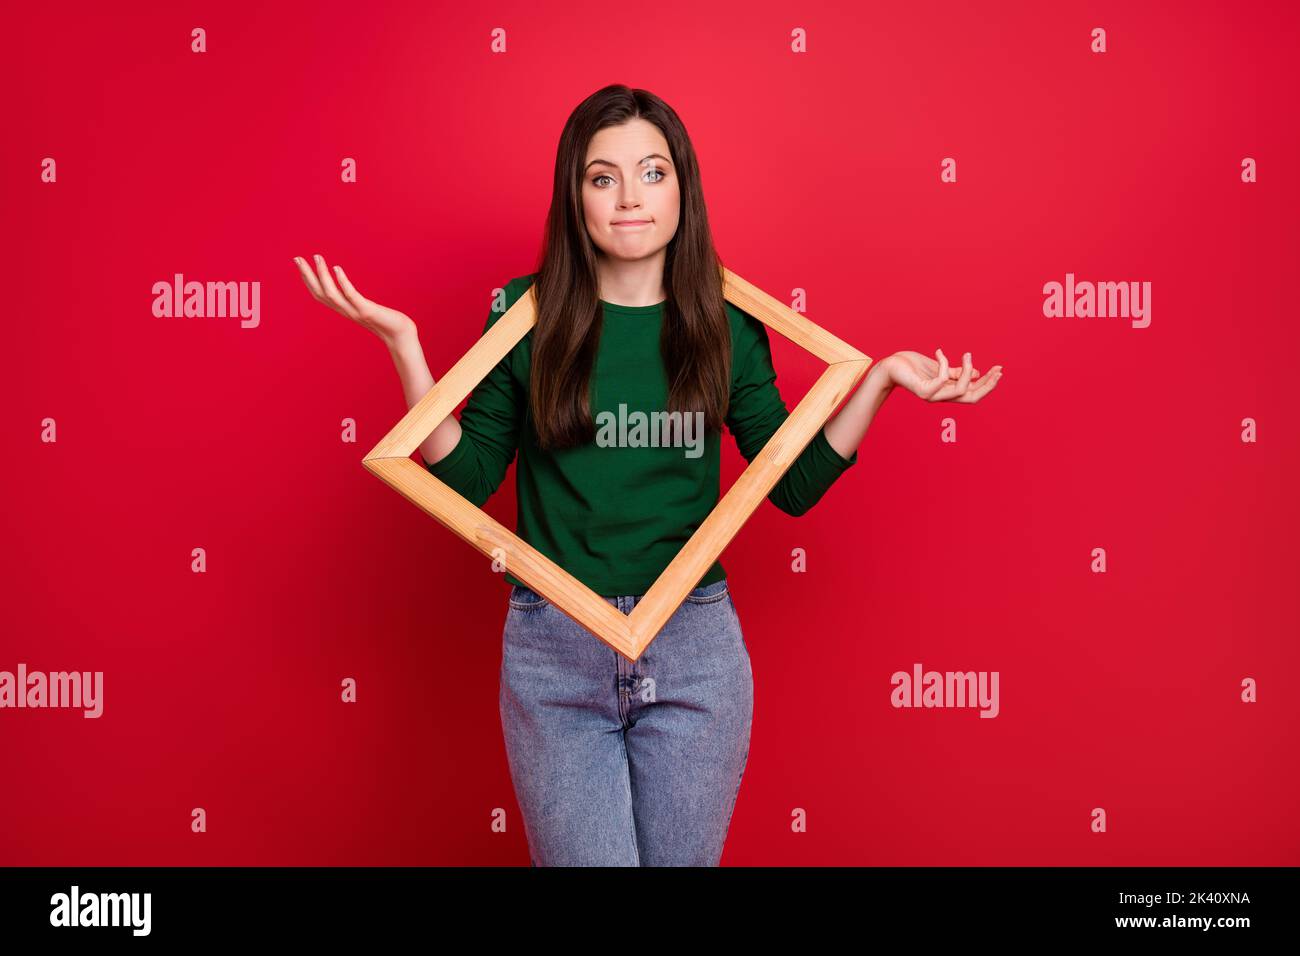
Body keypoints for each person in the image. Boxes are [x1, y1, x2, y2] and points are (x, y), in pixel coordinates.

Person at [294, 83, 1003, 866]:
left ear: (682, 187)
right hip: (554, 644)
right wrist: (405, 345)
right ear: (576, 196)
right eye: (604, 178)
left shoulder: (727, 320)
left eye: (652, 173)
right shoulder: (524, 314)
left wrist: (880, 381)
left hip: (693, 645)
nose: (630, 197)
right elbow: (463, 477)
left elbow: (791, 486)